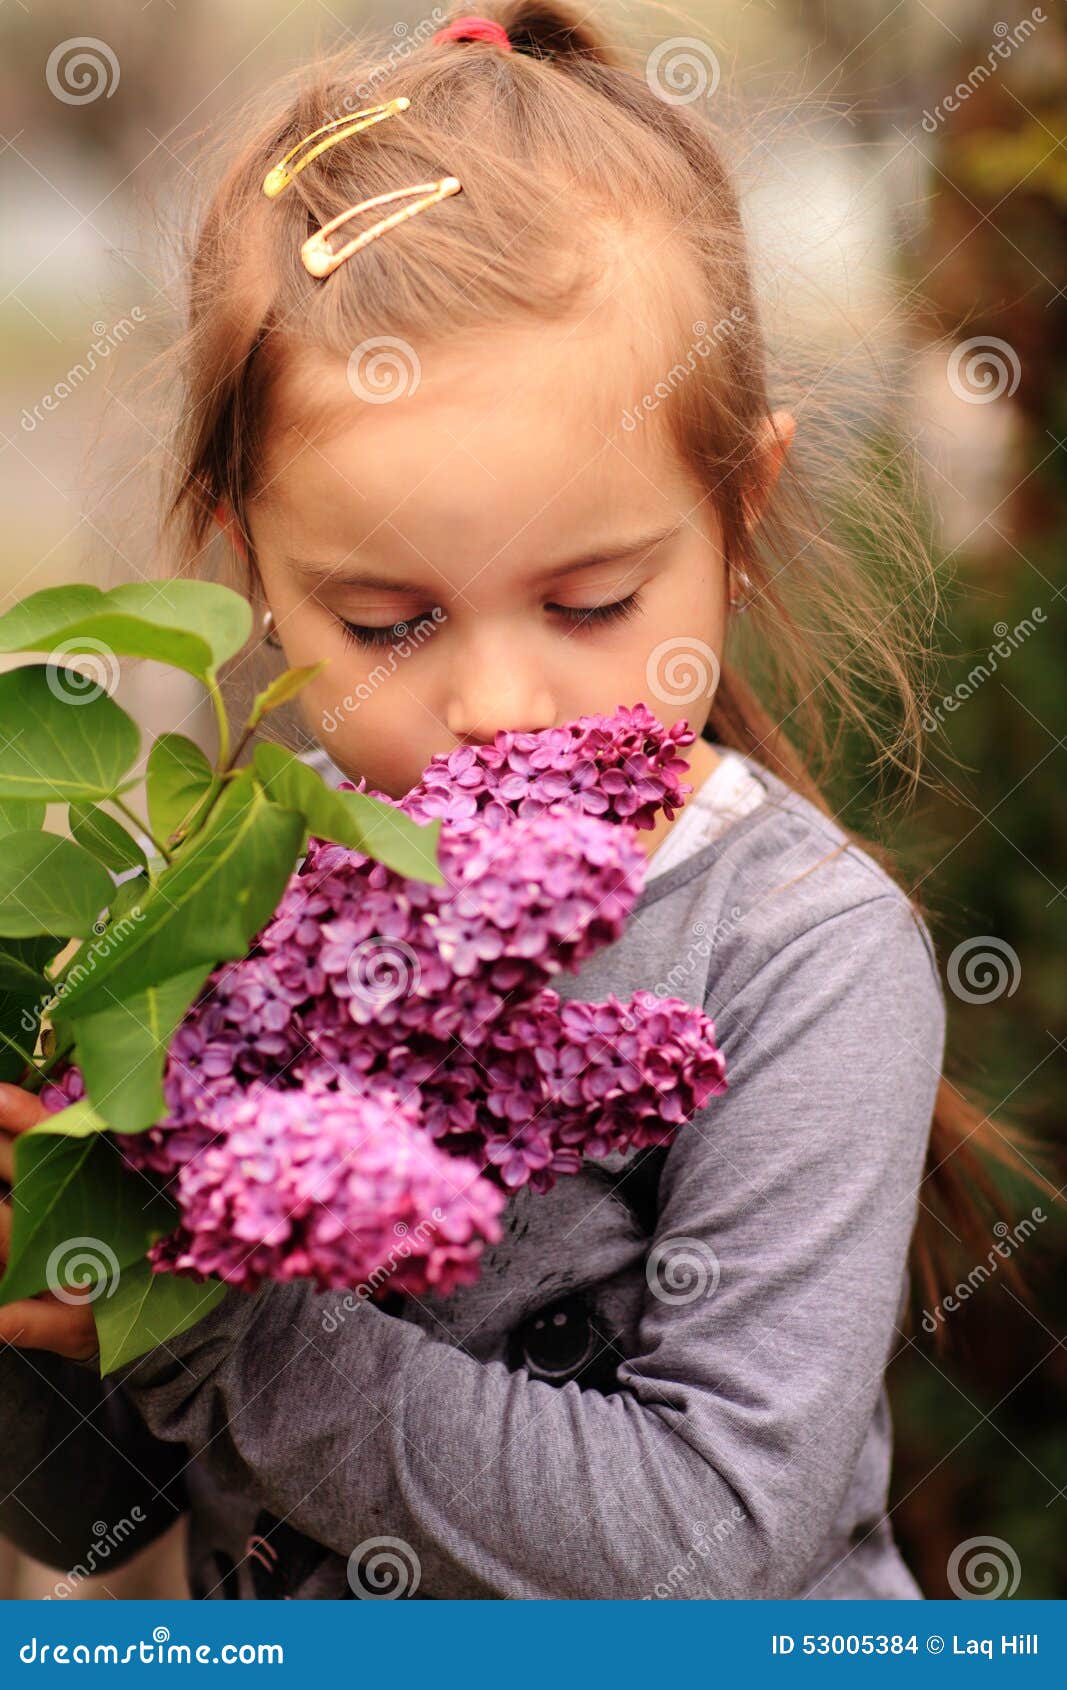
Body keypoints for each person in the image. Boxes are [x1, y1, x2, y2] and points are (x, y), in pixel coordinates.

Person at [0, 2, 1042, 1601]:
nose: (498, 699)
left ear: (739, 514)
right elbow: (90, 1512)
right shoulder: (219, 892)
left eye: (589, 602)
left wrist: (225, 1326)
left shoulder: (799, 953)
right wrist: (61, 1267)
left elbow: (709, 1541)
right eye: (388, 620)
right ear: (249, 561)